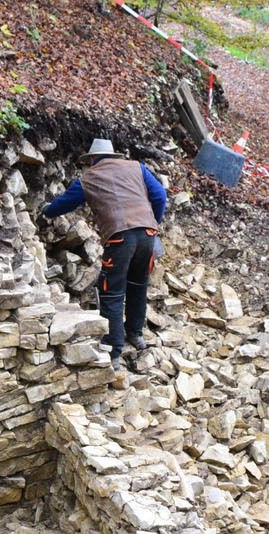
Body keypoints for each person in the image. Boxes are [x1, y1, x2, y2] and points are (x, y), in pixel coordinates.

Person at [39, 138, 168, 370]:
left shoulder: (89, 177)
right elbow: (160, 196)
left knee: (112, 292)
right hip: (148, 234)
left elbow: (66, 203)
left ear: (93, 159)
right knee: (138, 284)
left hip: (120, 237)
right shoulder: (136, 167)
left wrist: (47, 210)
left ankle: (114, 350)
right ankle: (136, 335)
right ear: (113, 156)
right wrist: (152, 225)